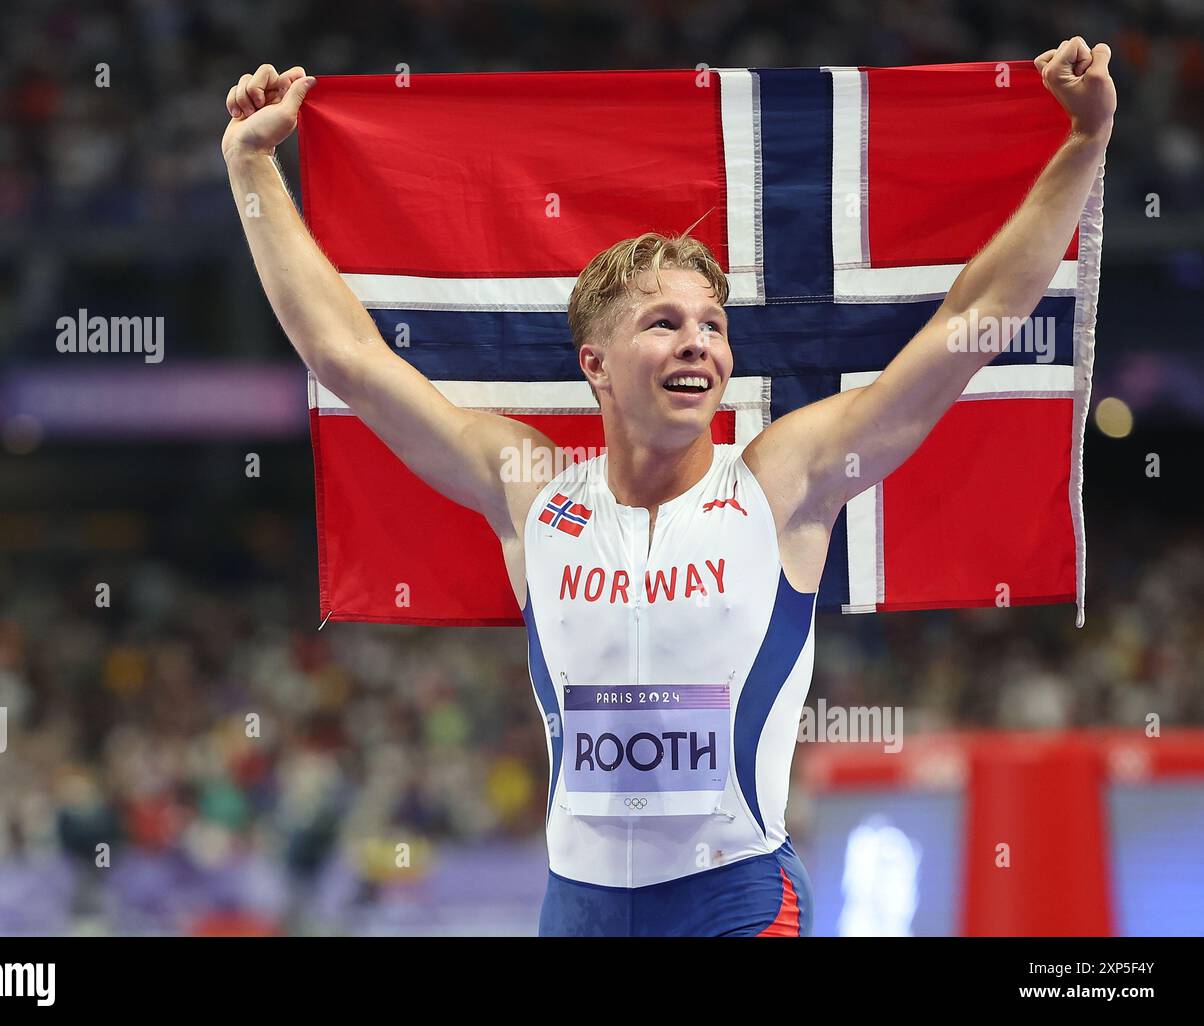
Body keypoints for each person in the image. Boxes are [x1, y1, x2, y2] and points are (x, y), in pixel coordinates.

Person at [220, 38, 1115, 936]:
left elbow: (970, 322)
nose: (700, 343)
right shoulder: (532, 492)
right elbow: (349, 356)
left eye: (714, 326)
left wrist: (1082, 145)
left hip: (734, 901)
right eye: (665, 322)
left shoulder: (783, 484)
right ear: (596, 364)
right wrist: (252, 164)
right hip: (576, 907)